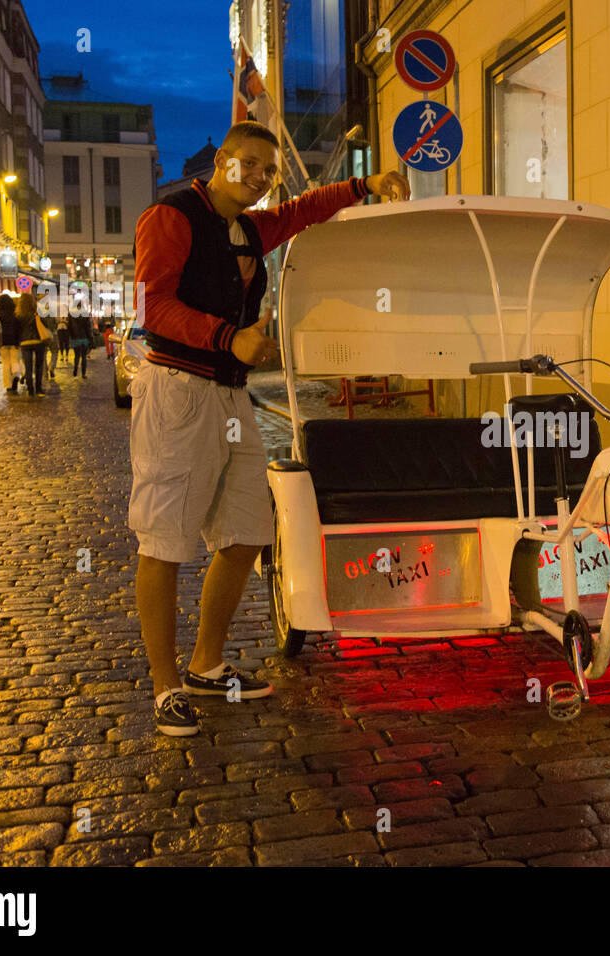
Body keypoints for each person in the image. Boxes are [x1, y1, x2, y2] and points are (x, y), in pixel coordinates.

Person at [130, 119, 409, 736]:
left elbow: (306, 209)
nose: (257, 178)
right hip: (178, 391)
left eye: (267, 171)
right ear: (221, 159)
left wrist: (367, 184)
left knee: (247, 530)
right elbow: (151, 305)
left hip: (231, 394)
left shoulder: (252, 227)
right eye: (247, 164)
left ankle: (205, 662)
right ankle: (164, 685)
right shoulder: (174, 215)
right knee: (166, 537)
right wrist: (229, 336)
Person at [16, 292, 46, 397]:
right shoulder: (36, 313)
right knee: (39, 365)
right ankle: (39, 388)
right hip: (38, 341)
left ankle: (30, 389)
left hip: (25, 342)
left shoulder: (18, 315)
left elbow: (17, 331)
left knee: (28, 367)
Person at [0, 292, 22, 394]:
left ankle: (8, 385)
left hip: (3, 342)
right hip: (14, 341)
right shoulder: (14, 315)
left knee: (5, 363)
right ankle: (16, 374)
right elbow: (18, 329)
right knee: (15, 360)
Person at [67, 309, 91, 377]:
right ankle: (83, 374)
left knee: (77, 355)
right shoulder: (85, 314)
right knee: (84, 356)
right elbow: (88, 327)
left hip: (75, 338)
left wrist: (71, 337)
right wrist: (90, 338)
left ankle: (75, 370)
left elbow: (69, 327)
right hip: (84, 338)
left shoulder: (71, 315)